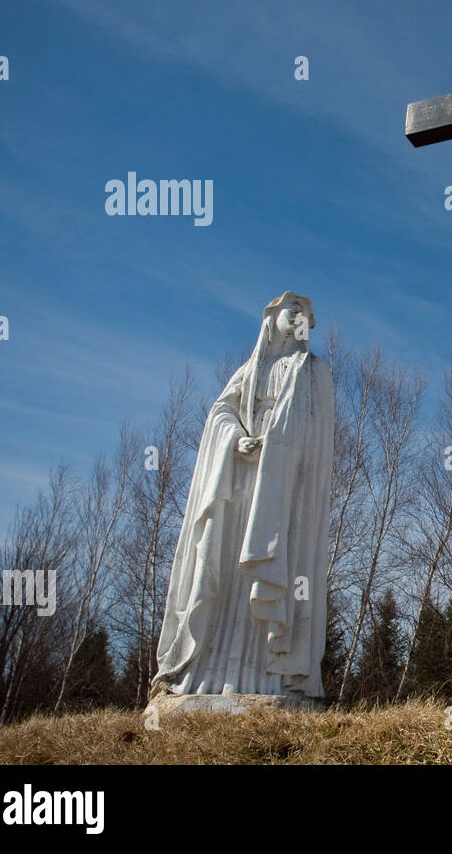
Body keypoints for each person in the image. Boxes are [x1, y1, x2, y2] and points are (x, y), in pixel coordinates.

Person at [153, 292, 334, 699]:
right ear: (272, 317)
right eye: (294, 310)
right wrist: (236, 441)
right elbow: (221, 413)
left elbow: (318, 438)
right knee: (227, 562)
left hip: (284, 488)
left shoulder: (314, 372)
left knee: (274, 562)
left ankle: (271, 674)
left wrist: (282, 448)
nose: (301, 318)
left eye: (307, 314)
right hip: (241, 483)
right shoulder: (250, 371)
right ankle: (209, 672)